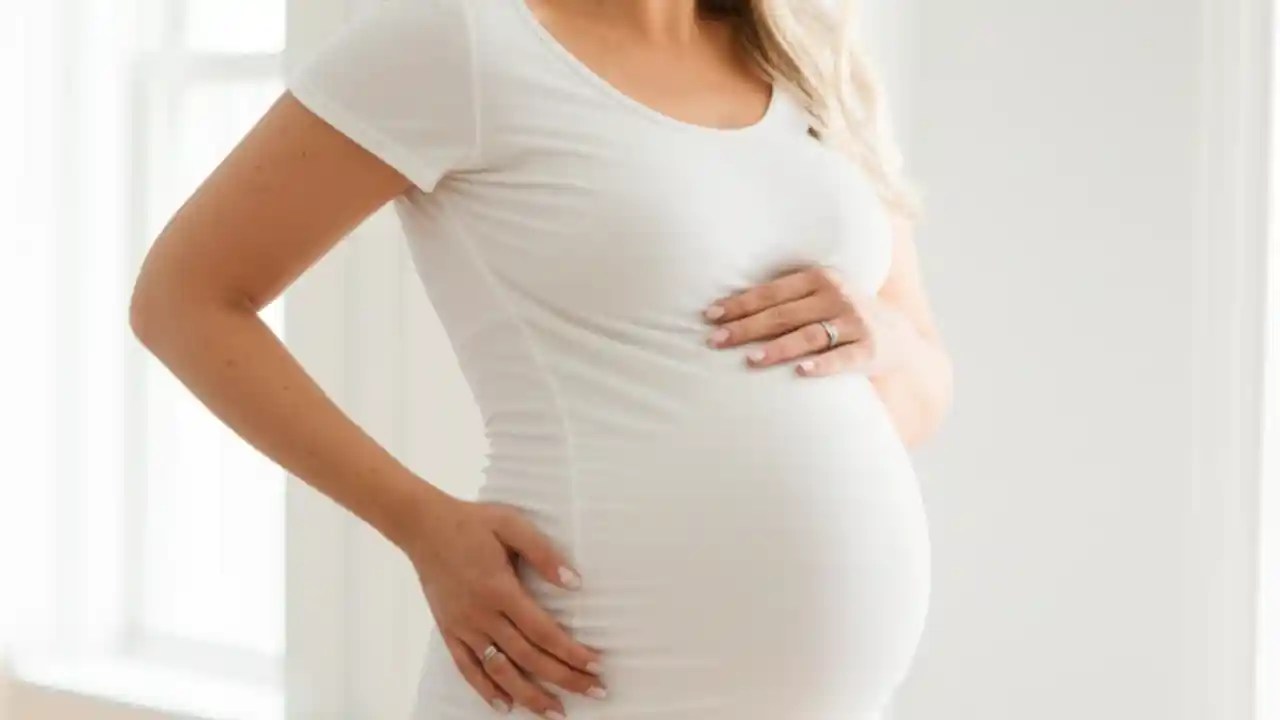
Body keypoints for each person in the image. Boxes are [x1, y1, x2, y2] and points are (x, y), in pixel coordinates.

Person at [129, 0, 954, 717]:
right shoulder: (459, 43)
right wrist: (419, 522)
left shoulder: (816, 61)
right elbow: (182, 299)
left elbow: (920, 396)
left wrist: (883, 333)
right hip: (575, 673)